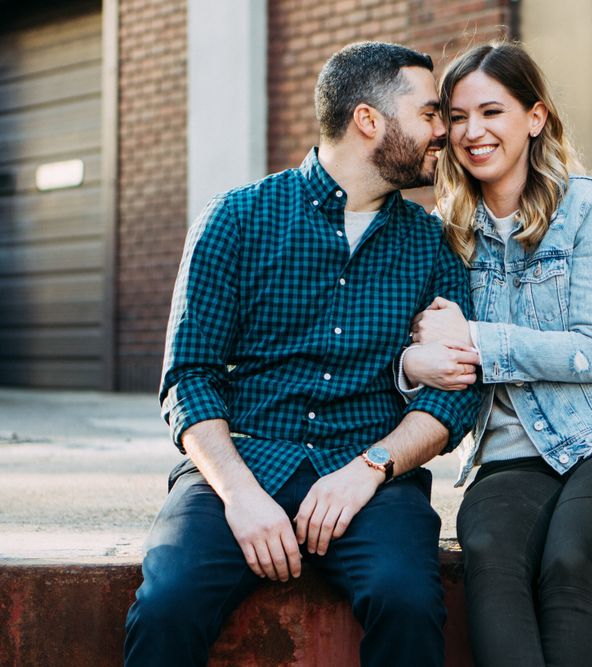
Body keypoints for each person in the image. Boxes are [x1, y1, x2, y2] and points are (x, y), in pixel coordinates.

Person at [124, 41, 481, 667]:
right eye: (429, 115)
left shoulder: (434, 244)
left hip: (371, 475)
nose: (443, 134)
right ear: (369, 120)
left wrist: (370, 467)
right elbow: (188, 378)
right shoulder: (236, 219)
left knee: (407, 602)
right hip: (241, 463)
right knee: (166, 605)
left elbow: (455, 396)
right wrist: (239, 494)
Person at [402, 42, 592, 667]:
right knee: (493, 559)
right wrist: (412, 365)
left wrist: (477, 338)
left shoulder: (591, 209)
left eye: (493, 112)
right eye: (459, 116)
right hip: (509, 458)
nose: (474, 132)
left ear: (536, 117)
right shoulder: (441, 231)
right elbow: (417, 345)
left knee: (569, 559)